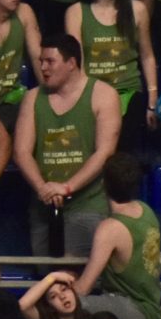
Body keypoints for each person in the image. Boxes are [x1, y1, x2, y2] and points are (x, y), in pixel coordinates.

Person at [14, 34, 121, 258]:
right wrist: (43, 188)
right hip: (44, 204)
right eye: (41, 61)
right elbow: (21, 152)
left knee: (77, 269)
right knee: (46, 272)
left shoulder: (103, 95)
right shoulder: (32, 98)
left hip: (87, 204)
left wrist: (67, 187)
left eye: (50, 62)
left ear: (71, 63)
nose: (43, 68)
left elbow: (105, 152)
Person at [71, 155, 161, 319]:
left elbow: (83, 289)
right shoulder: (147, 211)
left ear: (103, 184)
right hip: (150, 309)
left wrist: (58, 286)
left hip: (133, 312)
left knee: (68, 305)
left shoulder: (110, 228)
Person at [62, 0, 153, 153]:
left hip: (128, 90)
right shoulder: (76, 12)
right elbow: (76, 62)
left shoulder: (137, 9)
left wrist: (152, 101)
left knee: (122, 147)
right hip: (93, 91)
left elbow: (147, 56)